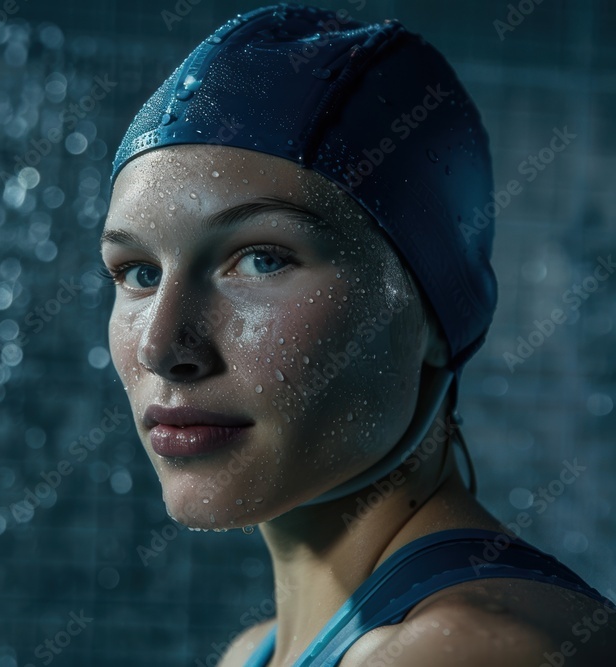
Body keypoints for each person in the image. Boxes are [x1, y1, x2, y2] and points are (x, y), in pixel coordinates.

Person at [98, 4, 615, 666]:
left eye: (261, 259)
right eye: (138, 272)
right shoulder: (252, 653)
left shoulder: (465, 650)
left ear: (434, 309)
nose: (162, 346)